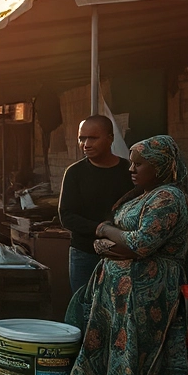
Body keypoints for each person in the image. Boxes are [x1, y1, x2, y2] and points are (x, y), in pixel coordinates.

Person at [66, 134, 188, 375]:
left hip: (146, 297)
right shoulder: (146, 194)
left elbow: (139, 244)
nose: (132, 169)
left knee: (134, 361)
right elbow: (124, 244)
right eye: (132, 162)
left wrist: (106, 232)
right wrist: (112, 243)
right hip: (117, 296)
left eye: (140, 163)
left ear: (161, 165)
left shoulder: (168, 198)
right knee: (109, 359)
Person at [57, 115, 136, 296]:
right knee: (84, 306)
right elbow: (66, 215)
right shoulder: (74, 173)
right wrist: (100, 229)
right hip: (85, 253)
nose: (86, 144)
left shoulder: (129, 171)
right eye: (81, 138)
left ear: (110, 138)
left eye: (93, 138)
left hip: (122, 254)